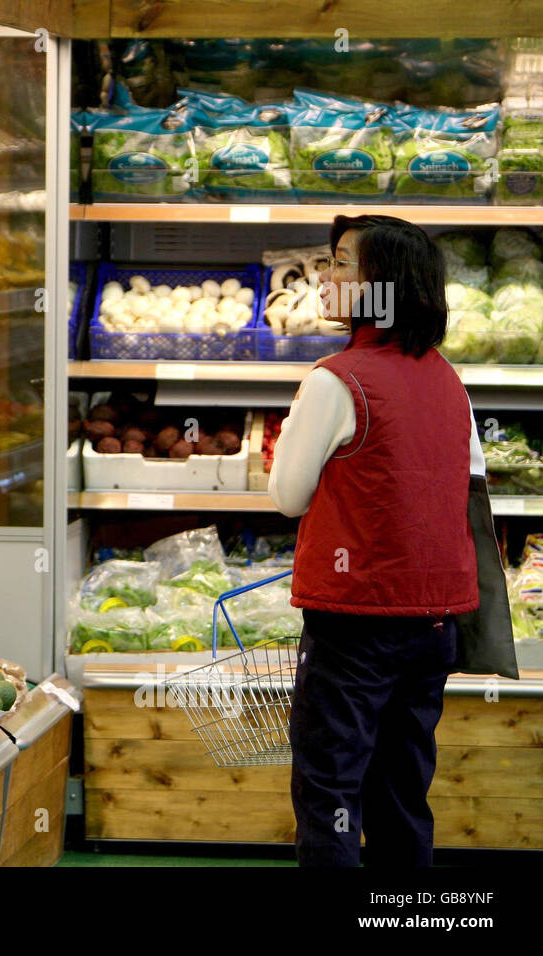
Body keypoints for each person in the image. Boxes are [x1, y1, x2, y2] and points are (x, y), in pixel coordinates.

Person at [269, 214, 483, 867]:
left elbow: (287, 497)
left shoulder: (336, 380)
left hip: (355, 625)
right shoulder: (448, 380)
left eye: (339, 263)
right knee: (401, 793)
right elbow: (465, 482)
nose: (325, 276)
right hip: (433, 625)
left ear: (382, 285)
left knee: (331, 795)